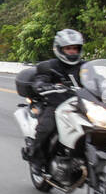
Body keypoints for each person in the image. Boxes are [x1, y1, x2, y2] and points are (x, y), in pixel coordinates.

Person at [26, 29, 85, 172]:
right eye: (68, 48)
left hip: (82, 105)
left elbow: (99, 80)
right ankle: (36, 159)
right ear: (59, 49)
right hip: (57, 105)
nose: (72, 51)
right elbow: (40, 79)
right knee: (46, 128)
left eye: (75, 48)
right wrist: (42, 85)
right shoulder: (51, 66)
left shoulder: (85, 67)